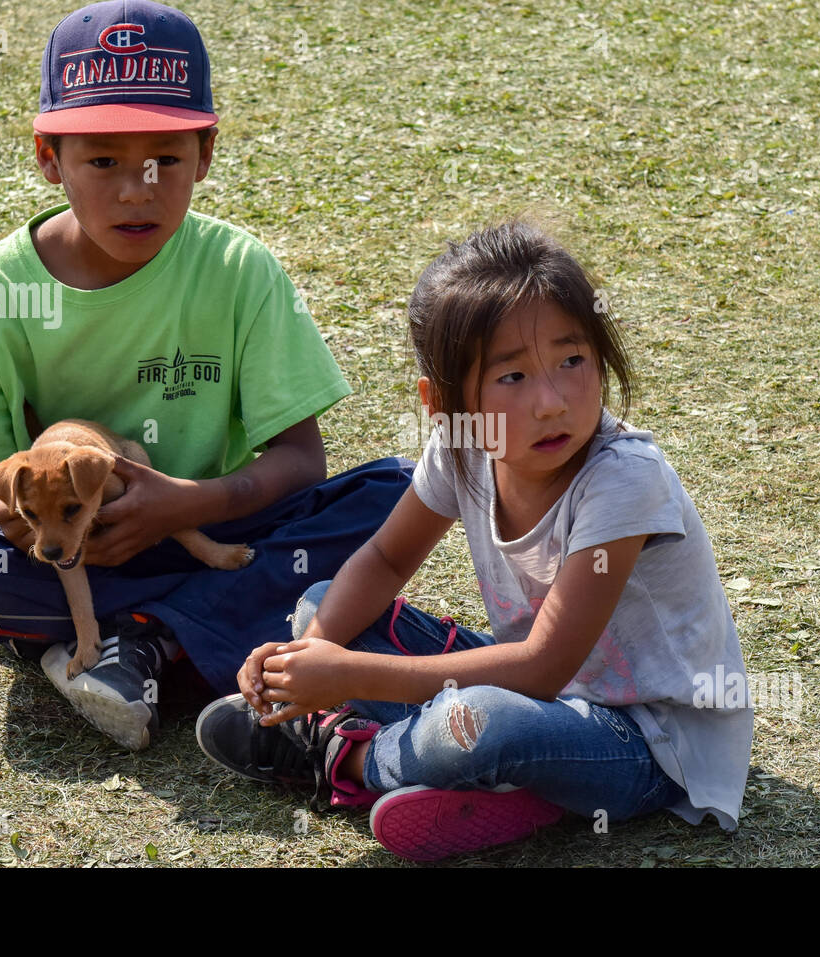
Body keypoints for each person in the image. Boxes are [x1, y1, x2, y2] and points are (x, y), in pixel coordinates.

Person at [0, 0, 411, 751]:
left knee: (394, 495)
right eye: (102, 161)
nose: (136, 190)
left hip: (218, 521)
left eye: (164, 161)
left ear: (205, 154)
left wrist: (184, 504)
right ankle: (223, 624)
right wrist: (25, 515)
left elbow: (302, 461)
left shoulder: (239, 269)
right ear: (50, 158)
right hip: (76, 547)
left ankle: (141, 636)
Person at [195, 220, 754, 861]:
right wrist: (308, 659)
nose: (551, 401)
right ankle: (505, 786)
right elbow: (384, 559)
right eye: (511, 377)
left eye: (572, 360)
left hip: (645, 744)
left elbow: (543, 667)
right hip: (532, 690)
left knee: (486, 722)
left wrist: (345, 675)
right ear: (445, 405)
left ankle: (345, 759)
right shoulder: (464, 445)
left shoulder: (625, 479)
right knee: (322, 602)